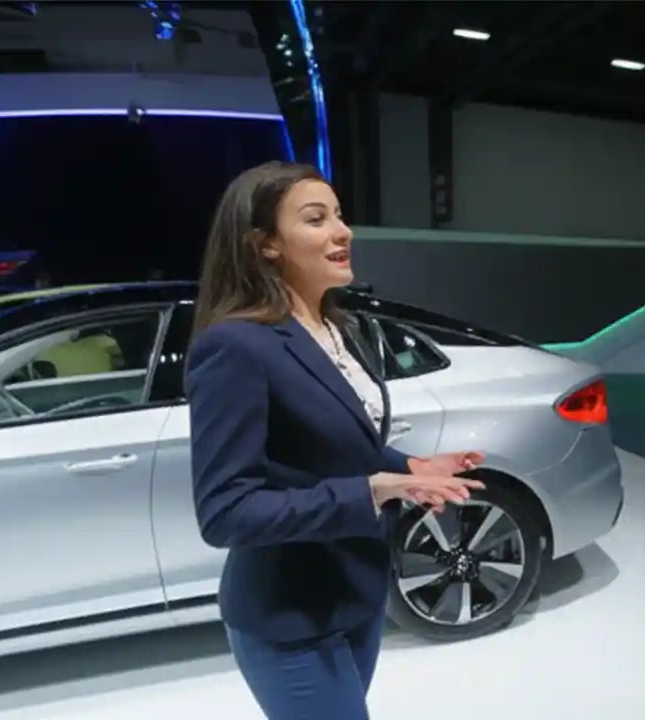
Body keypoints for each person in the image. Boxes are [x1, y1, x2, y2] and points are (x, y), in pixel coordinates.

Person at [185, 160, 486, 719]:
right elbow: (226, 512)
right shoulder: (236, 347)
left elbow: (331, 448)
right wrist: (371, 491)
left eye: (339, 216)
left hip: (354, 594)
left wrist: (409, 467)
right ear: (265, 244)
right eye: (316, 219)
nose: (342, 232)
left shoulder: (335, 328)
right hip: (289, 616)